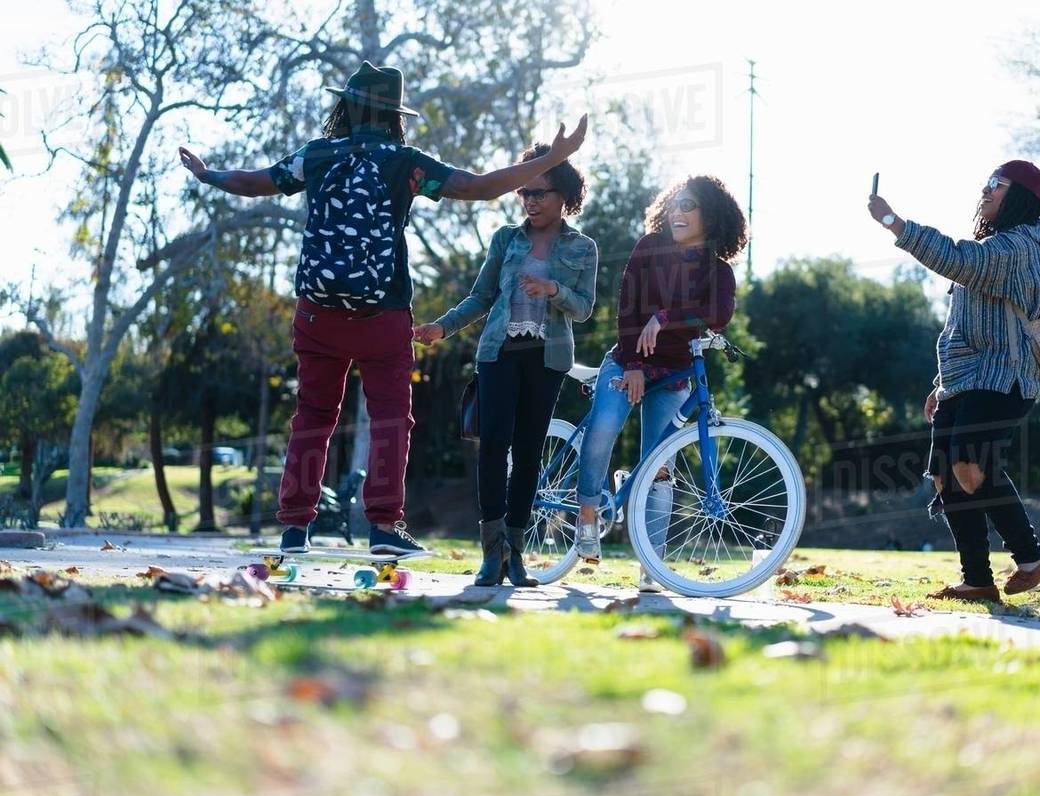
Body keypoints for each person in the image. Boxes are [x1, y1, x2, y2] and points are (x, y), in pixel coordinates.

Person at [179, 61, 587, 556]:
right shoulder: (405, 163)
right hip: (383, 313)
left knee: (312, 415)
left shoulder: (318, 155)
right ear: (394, 115)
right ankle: (383, 529)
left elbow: (256, 182)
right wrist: (556, 156)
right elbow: (477, 187)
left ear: (346, 106)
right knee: (392, 416)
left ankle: (294, 528)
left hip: (317, 310)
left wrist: (208, 175)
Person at [868, 160, 1040, 603]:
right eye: (987, 183)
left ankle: (1030, 558)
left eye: (997, 184)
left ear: (1020, 198)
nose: (986, 190)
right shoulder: (992, 245)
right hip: (964, 379)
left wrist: (894, 223)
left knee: (971, 468)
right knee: (944, 478)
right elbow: (962, 328)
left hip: (1003, 377)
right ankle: (977, 580)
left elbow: (953, 257)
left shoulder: (1016, 248)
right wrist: (940, 384)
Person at [412, 144, 597, 588]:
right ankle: (490, 557)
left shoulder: (582, 247)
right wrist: (443, 327)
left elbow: (586, 307)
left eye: (540, 193)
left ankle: (517, 556)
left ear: (564, 195)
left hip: (548, 360)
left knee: (530, 454)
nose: (531, 201)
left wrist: (553, 289)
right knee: (493, 446)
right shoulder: (505, 240)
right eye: (524, 193)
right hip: (498, 355)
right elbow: (481, 297)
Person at [573, 175, 747, 592]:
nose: (678, 212)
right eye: (675, 204)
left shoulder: (718, 272)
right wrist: (632, 363)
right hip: (627, 362)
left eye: (689, 206)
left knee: (662, 466)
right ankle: (587, 517)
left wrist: (667, 316)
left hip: (674, 374)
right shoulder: (648, 248)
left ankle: (652, 564)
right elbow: (628, 309)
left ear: (712, 215)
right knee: (604, 427)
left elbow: (718, 314)